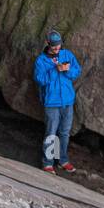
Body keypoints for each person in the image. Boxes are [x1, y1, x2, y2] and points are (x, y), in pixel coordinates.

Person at [33, 30, 80, 172]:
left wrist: (66, 70)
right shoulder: (41, 60)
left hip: (67, 100)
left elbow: (77, 71)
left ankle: (62, 160)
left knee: (65, 132)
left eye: (58, 46)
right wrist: (55, 70)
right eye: (54, 46)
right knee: (51, 132)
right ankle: (48, 162)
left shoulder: (67, 55)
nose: (57, 48)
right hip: (51, 101)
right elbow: (40, 80)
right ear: (48, 44)